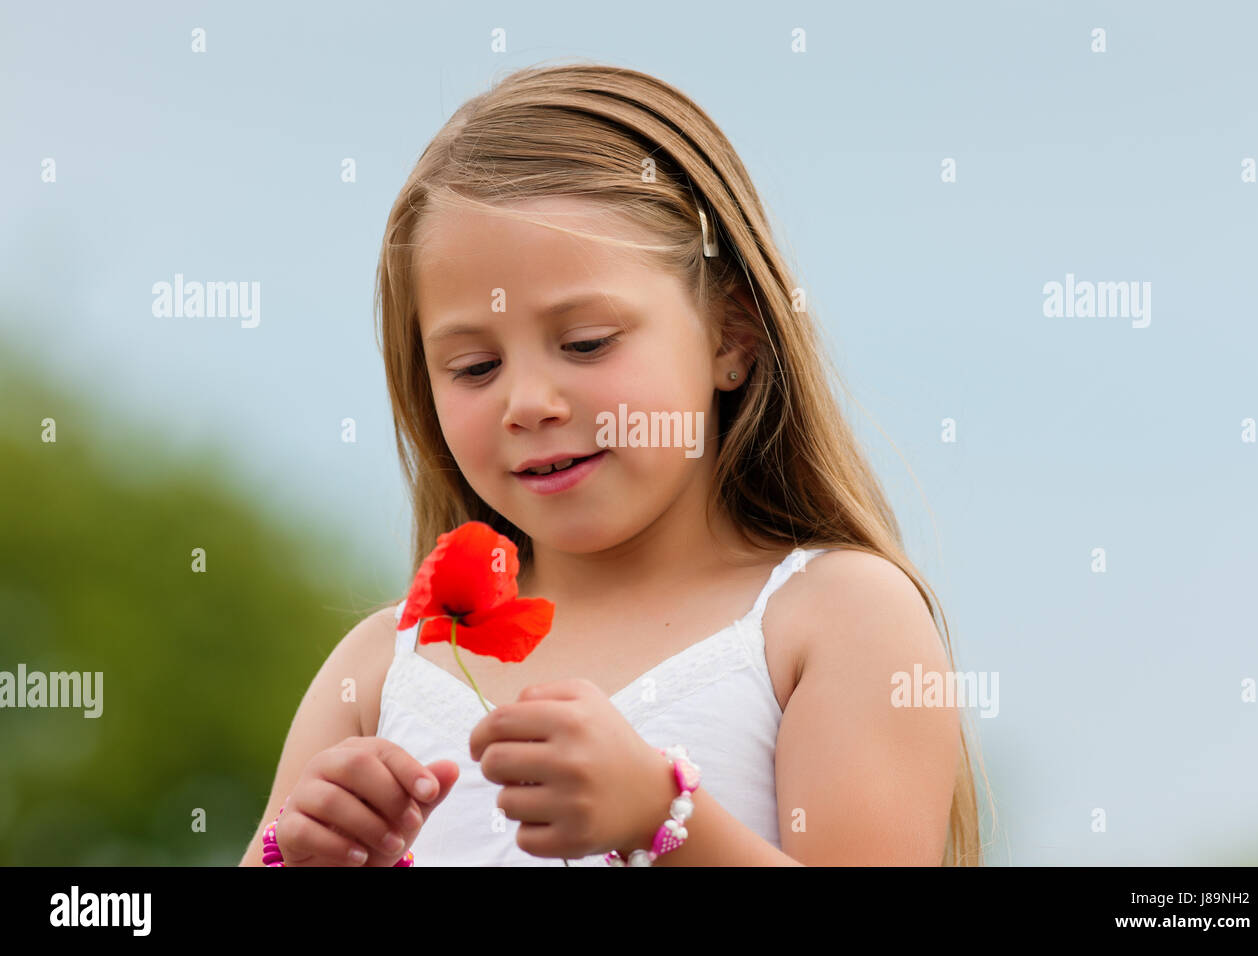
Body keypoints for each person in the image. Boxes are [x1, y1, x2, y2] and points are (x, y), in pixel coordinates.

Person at [238, 61, 989, 867]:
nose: (527, 401)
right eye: (474, 368)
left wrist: (664, 822)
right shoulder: (381, 667)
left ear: (731, 336)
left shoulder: (833, 618)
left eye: (586, 343)